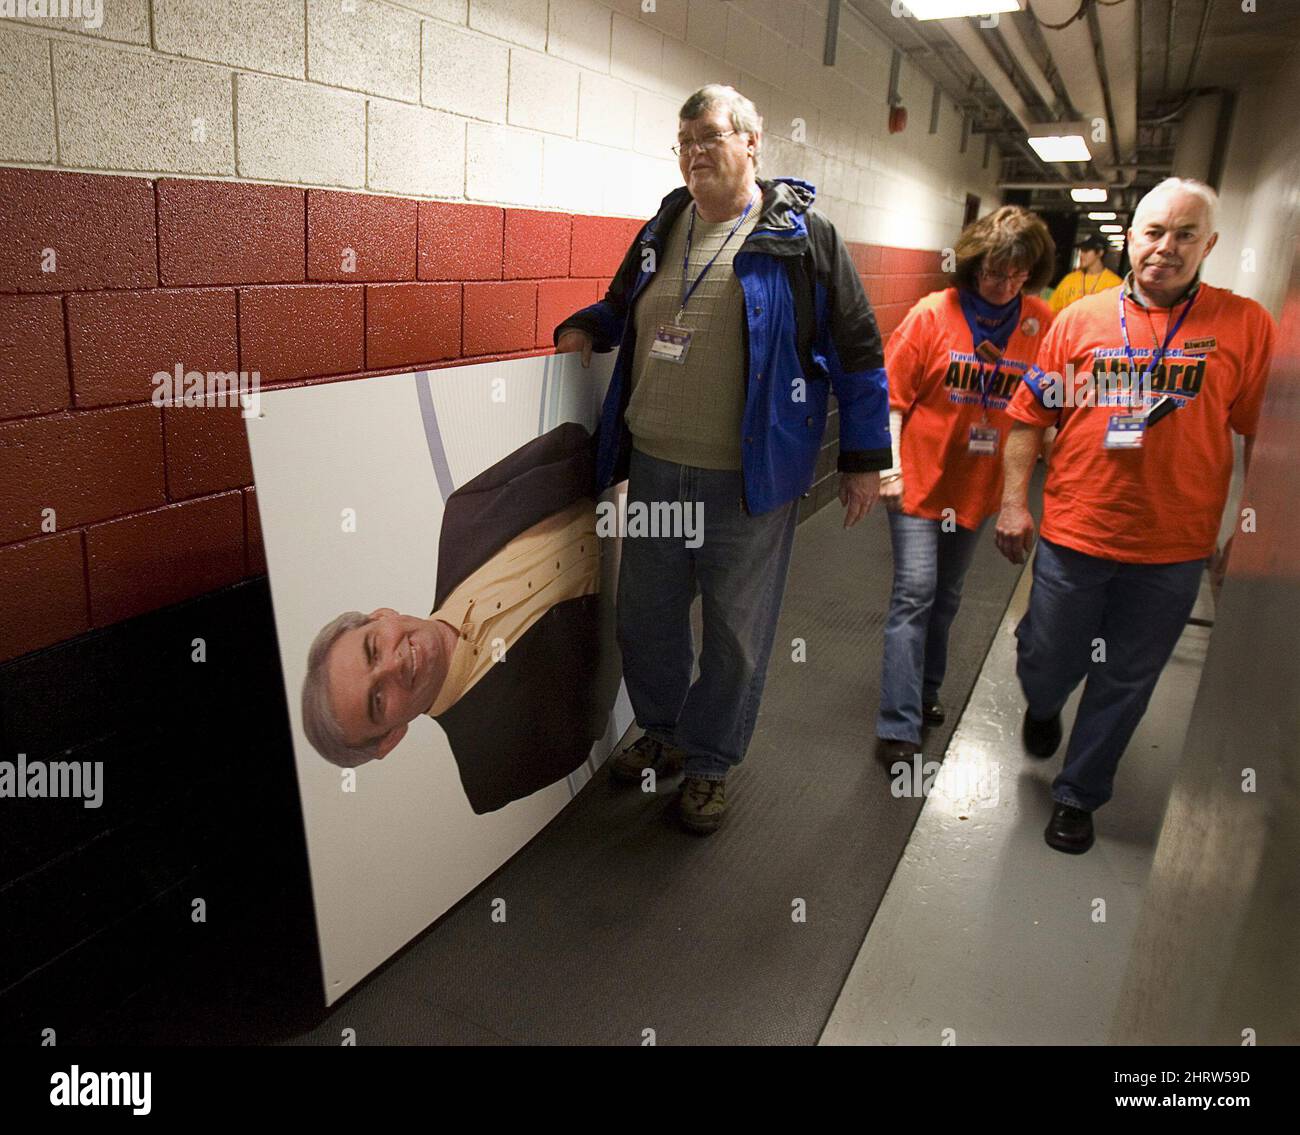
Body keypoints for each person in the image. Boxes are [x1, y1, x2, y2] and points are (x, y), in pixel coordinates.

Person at [555, 84, 890, 833]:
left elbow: (859, 352)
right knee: (646, 618)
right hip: (657, 466)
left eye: (709, 137)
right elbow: (621, 306)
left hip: (749, 477)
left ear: (751, 142)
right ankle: (663, 732)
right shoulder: (665, 223)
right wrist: (584, 329)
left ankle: (709, 765)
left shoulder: (803, 239)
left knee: (735, 634)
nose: (695, 154)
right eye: (683, 142)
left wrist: (865, 458)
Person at [996, 177, 1278, 854]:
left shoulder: (1243, 324)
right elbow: (1030, 417)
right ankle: (1041, 697)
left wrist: (1250, 529)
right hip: (1075, 530)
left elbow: (1263, 438)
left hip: (1175, 547)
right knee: (1048, 653)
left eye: (1185, 234)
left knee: (1128, 676)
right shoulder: (1080, 320)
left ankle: (1078, 794)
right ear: (1130, 238)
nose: (1166, 248)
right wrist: (1012, 501)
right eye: (1154, 232)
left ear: (1209, 244)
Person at [301, 423, 620, 815]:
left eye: (372, 648)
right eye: (378, 700)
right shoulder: (493, 771)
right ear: (390, 739)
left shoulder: (464, 514)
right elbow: (595, 716)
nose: (394, 663)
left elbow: (569, 442)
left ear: (381, 615)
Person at [875, 207, 1055, 764]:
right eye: (994, 271)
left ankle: (926, 692)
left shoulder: (1040, 324)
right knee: (915, 592)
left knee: (947, 599)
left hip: (977, 485)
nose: (1004, 284)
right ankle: (898, 726)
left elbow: (1047, 407)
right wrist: (889, 466)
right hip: (920, 479)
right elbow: (893, 397)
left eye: (1017, 273)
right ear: (973, 267)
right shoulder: (934, 314)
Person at [1050, 234, 1122, 314]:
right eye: (1081, 250)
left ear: (1100, 253)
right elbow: (1051, 311)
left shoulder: (1115, 284)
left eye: (1086, 251)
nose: (1081, 255)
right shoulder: (1069, 279)